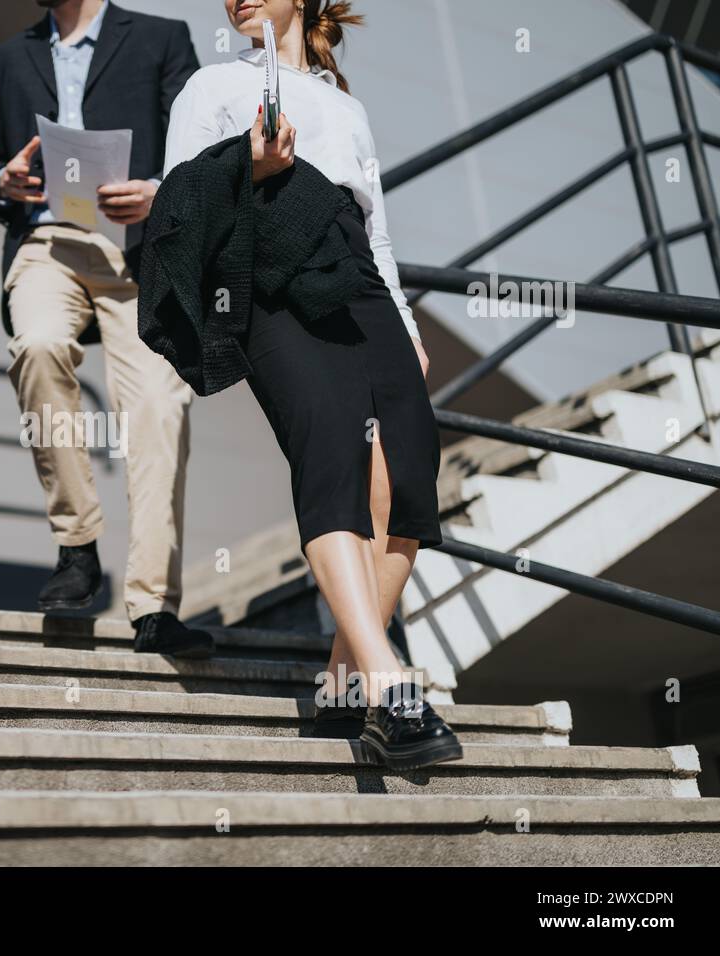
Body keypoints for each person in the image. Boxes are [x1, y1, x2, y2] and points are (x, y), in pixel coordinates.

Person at [149, 0, 462, 769]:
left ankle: (340, 686)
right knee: (329, 448)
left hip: (357, 273)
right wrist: (249, 167)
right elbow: (176, 204)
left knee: (408, 469)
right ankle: (389, 687)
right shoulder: (210, 88)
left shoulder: (345, 106)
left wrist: (410, 326)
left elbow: (376, 227)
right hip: (270, 276)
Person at [0, 0, 214, 658]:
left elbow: (202, 151)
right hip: (46, 244)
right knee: (40, 345)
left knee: (159, 407)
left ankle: (154, 605)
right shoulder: (3, 61)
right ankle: (77, 546)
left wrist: (159, 189)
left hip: (143, 252)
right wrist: (2, 184)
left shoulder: (162, 39)